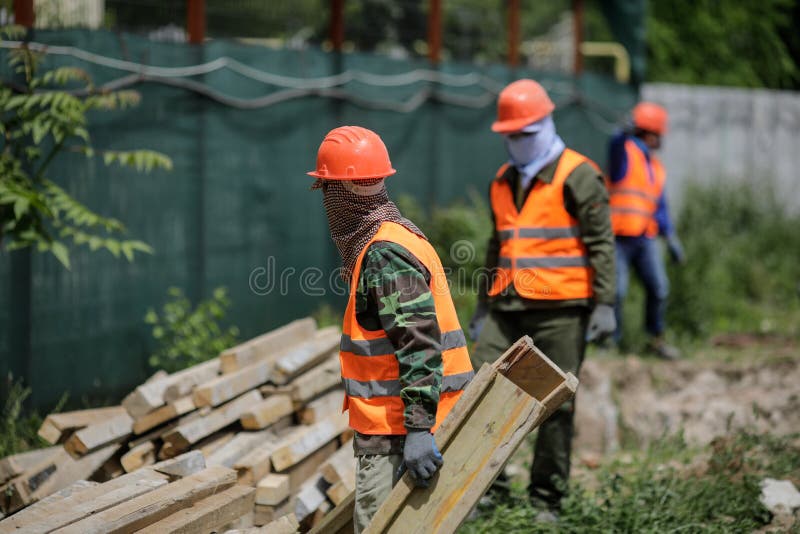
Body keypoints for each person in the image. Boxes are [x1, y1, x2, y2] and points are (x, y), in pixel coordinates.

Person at [308, 125, 474, 532]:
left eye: (327, 190)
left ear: (341, 193)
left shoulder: (384, 253)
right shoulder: (398, 235)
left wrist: (418, 429)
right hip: (410, 425)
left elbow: (419, 344)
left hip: (401, 434)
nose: (326, 200)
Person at [469, 79, 616, 519]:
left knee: (553, 408)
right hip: (507, 308)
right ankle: (481, 490)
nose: (517, 142)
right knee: (479, 393)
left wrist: (606, 303)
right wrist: (482, 306)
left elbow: (601, 244)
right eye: (510, 134)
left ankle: (545, 501)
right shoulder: (502, 180)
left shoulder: (579, 175)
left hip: (561, 312)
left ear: (547, 124)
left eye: (525, 133)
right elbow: (498, 246)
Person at [607, 102, 685, 360]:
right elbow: (615, 150)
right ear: (649, 134)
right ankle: (612, 343)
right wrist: (621, 133)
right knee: (617, 292)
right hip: (619, 237)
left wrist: (670, 236)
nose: (661, 140)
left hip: (645, 237)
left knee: (659, 288)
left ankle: (656, 340)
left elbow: (659, 206)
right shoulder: (625, 152)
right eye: (659, 135)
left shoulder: (656, 166)